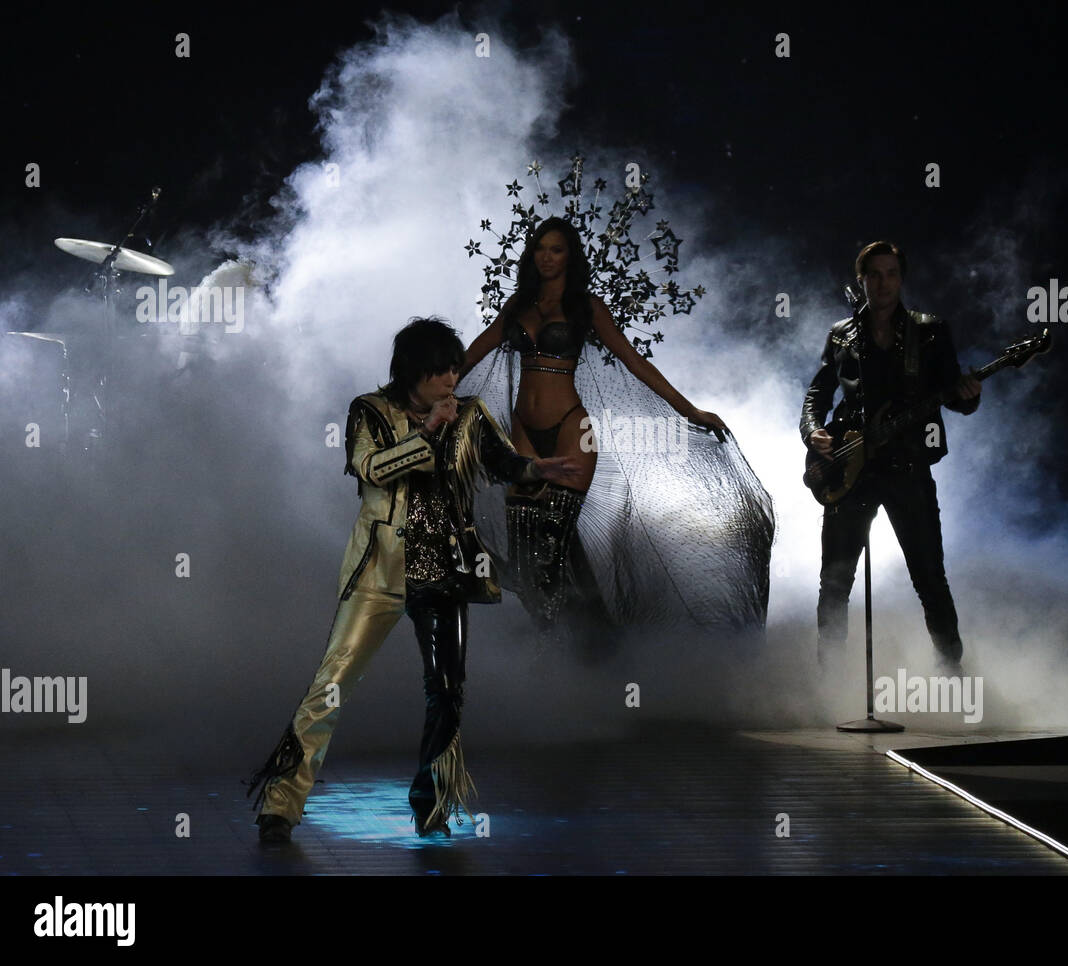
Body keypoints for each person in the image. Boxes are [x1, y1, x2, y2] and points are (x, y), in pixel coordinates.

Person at [245, 317, 581, 841]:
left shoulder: (469, 415)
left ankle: (433, 806)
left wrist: (540, 471)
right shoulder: (370, 410)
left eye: (453, 370)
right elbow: (371, 469)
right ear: (411, 372)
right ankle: (280, 804)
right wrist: (426, 433)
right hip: (378, 569)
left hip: (442, 571)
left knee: (447, 690)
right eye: (438, 372)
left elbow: (503, 464)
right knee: (330, 685)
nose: (451, 380)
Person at [460, 216, 728, 630]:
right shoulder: (519, 304)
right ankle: (584, 643)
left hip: (571, 430)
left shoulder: (586, 306)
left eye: (557, 249)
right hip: (523, 433)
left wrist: (688, 409)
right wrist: (423, 391)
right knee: (525, 556)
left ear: (571, 257)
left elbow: (634, 361)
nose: (546, 257)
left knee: (550, 551)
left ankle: (560, 657)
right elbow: (475, 352)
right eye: (540, 248)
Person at [800, 241, 981, 671]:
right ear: (860, 280)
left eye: (892, 274)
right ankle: (829, 685)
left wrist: (969, 397)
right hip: (850, 468)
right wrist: (813, 433)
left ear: (901, 278)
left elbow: (954, 395)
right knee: (835, 582)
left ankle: (952, 674)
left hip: (908, 469)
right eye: (874, 275)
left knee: (929, 578)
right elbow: (817, 393)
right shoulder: (841, 333)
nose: (883, 283)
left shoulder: (930, 330)